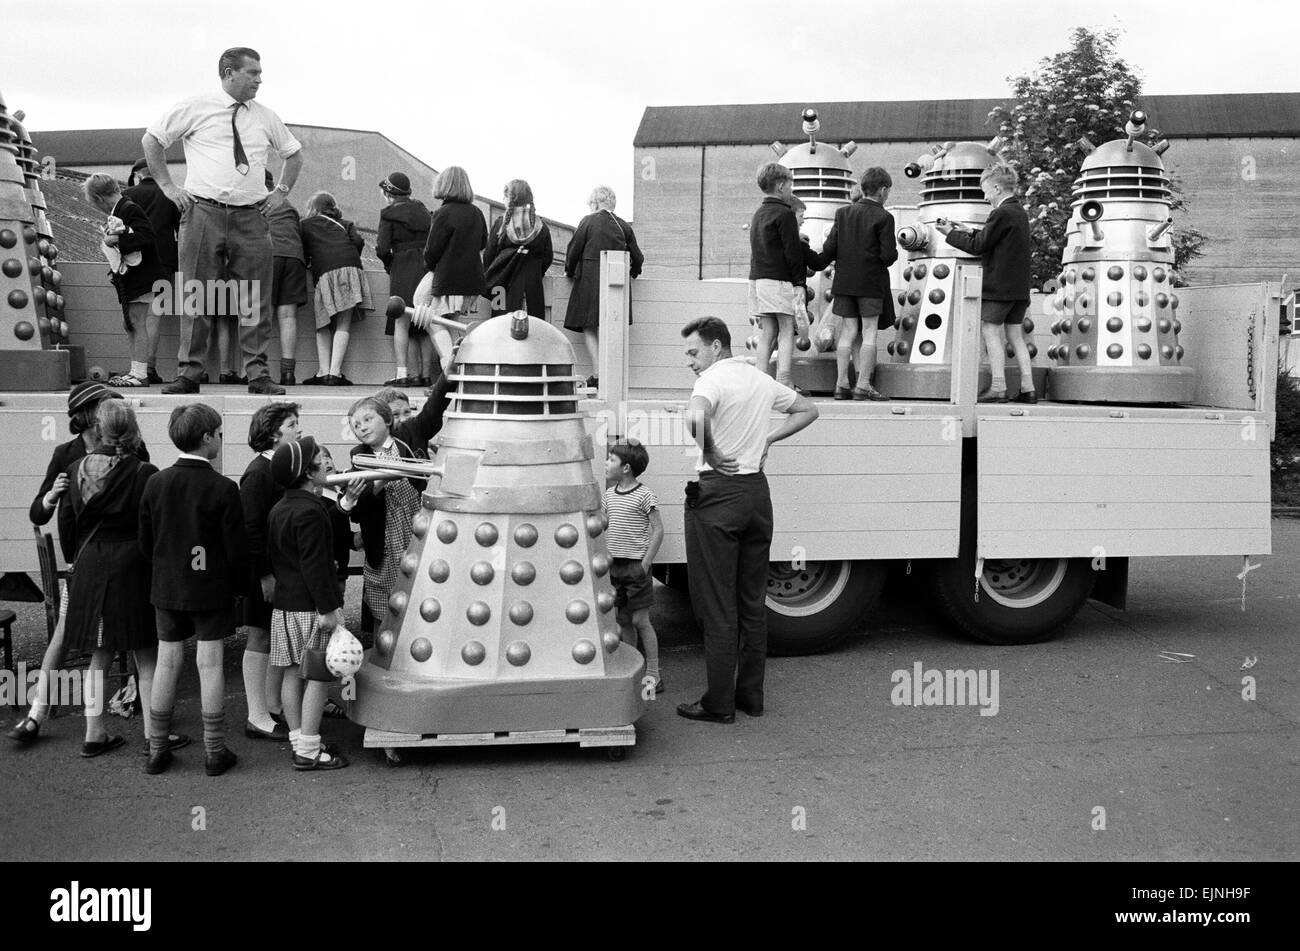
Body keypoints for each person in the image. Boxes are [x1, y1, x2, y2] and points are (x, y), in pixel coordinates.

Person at [677, 317, 818, 724]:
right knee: (752, 603)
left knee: (718, 606)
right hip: (757, 494)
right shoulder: (760, 379)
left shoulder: (711, 380)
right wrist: (769, 439)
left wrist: (713, 451)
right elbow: (808, 409)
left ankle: (718, 704)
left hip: (719, 493)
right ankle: (750, 697)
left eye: (693, 351)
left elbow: (695, 418)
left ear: (716, 346)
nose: (690, 361)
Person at [143, 45, 302, 396]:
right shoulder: (194, 106)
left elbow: (294, 153)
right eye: (253, 73)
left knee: (255, 296)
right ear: (229, 73)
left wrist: (281, 193)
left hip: (252, 214)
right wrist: (169, 187)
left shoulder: (265, 116)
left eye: (260, 73)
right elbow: (152, 140)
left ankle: (257, 375)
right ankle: (189, 373)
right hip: (202, 210)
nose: (259, 79)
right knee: (196, 294)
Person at [7, 383, 150, 745]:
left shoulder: (130, 449)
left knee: (105, 644)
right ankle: (37, 712)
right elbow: (37, 512)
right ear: (90, 415)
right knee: (63, 639)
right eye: (106, 404)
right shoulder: (65, 454)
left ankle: (131, 719)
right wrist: (52, 497)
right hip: (91, 564)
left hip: (100, 561)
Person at [56, 400, 180, 758]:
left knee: (100, 654)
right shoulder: (145, 472)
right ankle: (153, 736)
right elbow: (154, 527)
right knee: (146, 653)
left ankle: (94, 733)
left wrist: (75, 558)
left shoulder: (76, 467)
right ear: (133, 427)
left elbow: (67, 525)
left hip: (91, 563)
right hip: (133, 565)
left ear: (98, 427)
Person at [138, 403, 248, 775]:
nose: (220, 438)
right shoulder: (223, 488)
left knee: (167, 662)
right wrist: (240, 586)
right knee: (210, 664)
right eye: (218, 433)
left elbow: (145, 542)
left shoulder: (156, 482)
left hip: (167, 586)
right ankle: (214, 751)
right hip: (210, 588)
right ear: (205, 438)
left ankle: (156, 749)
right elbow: (235, 549)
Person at [339, 381, 450, 638]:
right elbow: (356, 509)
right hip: (385, 542)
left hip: (414, 532)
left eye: (368, 419)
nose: (362, 427)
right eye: (356, 425)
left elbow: (434, 410)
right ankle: (382, 650)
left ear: (387, 420)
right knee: (384, 606)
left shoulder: (407, 439)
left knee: (421, 597)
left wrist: (448, 374)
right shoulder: (358, 457)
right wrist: (377, 483)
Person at [266, 437, 348, 771]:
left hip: (285, 607)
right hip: (310, 609)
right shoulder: (311, 511)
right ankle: (310, 749)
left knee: (290, 673)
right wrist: (329, 608)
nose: (325, 463)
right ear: (306, 473)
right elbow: (314, 567)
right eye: (318, 459)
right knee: (318, 676)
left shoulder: (279, 508)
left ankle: (299, 737)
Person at [936, 163, 1035, 403]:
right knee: (1015, 336)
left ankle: (999, 387)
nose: (985, 195)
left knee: (990, 331)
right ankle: (1028, 387)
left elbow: (979, 246)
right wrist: (967, 229)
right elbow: (992, 238)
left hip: (999, 288)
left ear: (997, 188)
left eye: (986, 190)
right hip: (1018, 288)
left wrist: (949, 234)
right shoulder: (1018, 212)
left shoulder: (1000, 213)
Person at [238, 401, 301, 741]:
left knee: (272, 635)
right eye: (293, 424)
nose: (298, 429)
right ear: (275, 434)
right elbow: (251, 529)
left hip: (276, 570)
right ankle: (257, 714)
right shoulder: (259, 473)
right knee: (260, 635)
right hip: (264, 572)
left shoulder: (274, 468)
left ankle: (271, 705)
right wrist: (264, 574)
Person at [810, 166, 898, 400]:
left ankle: (841, 385)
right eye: (887, 191)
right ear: (882, 190)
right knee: (869, 333)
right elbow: (888, 256)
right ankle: (864, 385)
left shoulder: (843, 214)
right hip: (870, 284)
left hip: (844, 284)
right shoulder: (884, 217)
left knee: (848, 333)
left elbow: (829, 251)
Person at [82, 174, 167, 388]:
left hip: (142, 277)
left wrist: (116, 240)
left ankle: (140, 373)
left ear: (99, 199)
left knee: (136, 323)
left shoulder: (129, 208)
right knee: (130, 323)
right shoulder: (124, 209)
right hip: (134, 277)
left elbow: (147, 236)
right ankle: (135, 370)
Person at [563, 185, 643, 390]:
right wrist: (632, 272)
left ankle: (599, 373)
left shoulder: (588, 221)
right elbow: (638, 258)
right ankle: (612, 375)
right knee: (613, 327)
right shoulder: (623, 226)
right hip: (617, 285)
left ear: (595, 203)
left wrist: (569, 271)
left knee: (589, 327)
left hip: (589, 281)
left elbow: (573, 251)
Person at [603, 441, 664, 693]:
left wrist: (646, 561)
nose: (606, 463)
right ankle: (633, 668)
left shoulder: (644, 494)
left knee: (640, 620)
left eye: (611, 460)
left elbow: (658, 529)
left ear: (626, 468)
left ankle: (653, 672)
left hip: (635, 566)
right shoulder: (608, 495)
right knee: (623, 619)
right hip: (613, 566)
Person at [412, 166, 486, 374]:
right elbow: (483, 242)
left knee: (430, 317)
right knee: (451, 323)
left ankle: (448, 366)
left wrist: (430, 265)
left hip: (447, 277)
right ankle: (461, 369)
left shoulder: (443, 213)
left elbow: (432, 250)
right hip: (471, 279)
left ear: (444, 184)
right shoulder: (477, 212)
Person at [299, 191, 369, 386]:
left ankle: (323, 372)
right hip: (351, 268)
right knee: (343, 323)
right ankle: (335, 373)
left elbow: (302, 251)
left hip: (324, 271)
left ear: (313, 208)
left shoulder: (305, 224)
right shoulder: (346, 224)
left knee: (323, 323)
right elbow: (359, 242)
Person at [746, 162, 805, 391]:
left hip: (759, 278)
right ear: (781, 185)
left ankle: (760, 379)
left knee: (768, 331)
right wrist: (799, 282)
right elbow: (792, 252)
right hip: (779, 279)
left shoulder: (758, 214)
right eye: (790, 184)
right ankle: (784, 379)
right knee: (786, 328)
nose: (791, 188)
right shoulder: (785, 214)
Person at [124, 157, 179, 383]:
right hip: (164, 261)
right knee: (154, 316)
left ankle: (138, 368)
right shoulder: (171, 195)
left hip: (134, 261)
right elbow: (180, 229)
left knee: (135, 317)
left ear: (137, 174)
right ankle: (151, 368)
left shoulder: (128, 195)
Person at [376, 172, 433, 388]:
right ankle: (425, 375)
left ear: (389, 192)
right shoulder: (424, 211)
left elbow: (382, 247)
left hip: (401, 265)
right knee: (424, 322)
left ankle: (402, 373)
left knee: (401, 320)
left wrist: (390, 264)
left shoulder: (389, 215)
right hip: (425, 267)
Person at [484, 179, 553, 320]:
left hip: (502, 288)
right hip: (532, 286)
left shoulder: (501, 223)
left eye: (504, 196)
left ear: (509, 199)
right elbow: (548, 257)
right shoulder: (541, 226)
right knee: (532, 328)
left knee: (500, 327)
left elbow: (489, 256)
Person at [263, 169, 306, 386]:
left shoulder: (254, 201)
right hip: (294, 257)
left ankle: (255, 371)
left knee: (263, 313)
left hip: (268, 256)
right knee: (288, 317)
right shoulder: (288, 205)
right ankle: (288, 373)